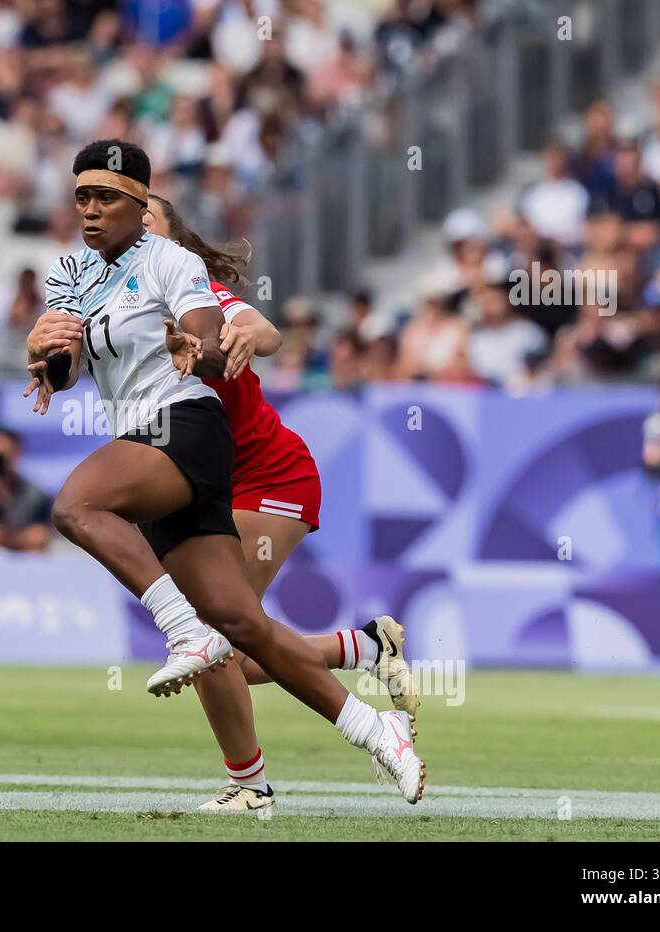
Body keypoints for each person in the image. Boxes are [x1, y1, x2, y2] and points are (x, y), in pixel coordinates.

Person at [22, 139, 425, 807]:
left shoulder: (176, 267)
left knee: (77, 508)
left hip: (210, 442)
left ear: (148, 214)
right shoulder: (77, 274)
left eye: (110, 200)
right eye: (83, 198)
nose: (91, 210)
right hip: (166, 449)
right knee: (237, 627)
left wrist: (208, 345)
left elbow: (242, 336)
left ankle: (193, 646)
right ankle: (372, 728)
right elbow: (69, 362)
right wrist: (42, 358)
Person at [137, 193, 420, 811]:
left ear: (174, 245)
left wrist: (243, 336)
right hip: (207, 484)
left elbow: (263, 331)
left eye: (145, 218)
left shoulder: (196, 294)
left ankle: (251, 786)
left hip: (269, 477)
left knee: (211, 637)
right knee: (225, 649)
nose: (129, 224)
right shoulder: (120, 301)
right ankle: (363, 649)